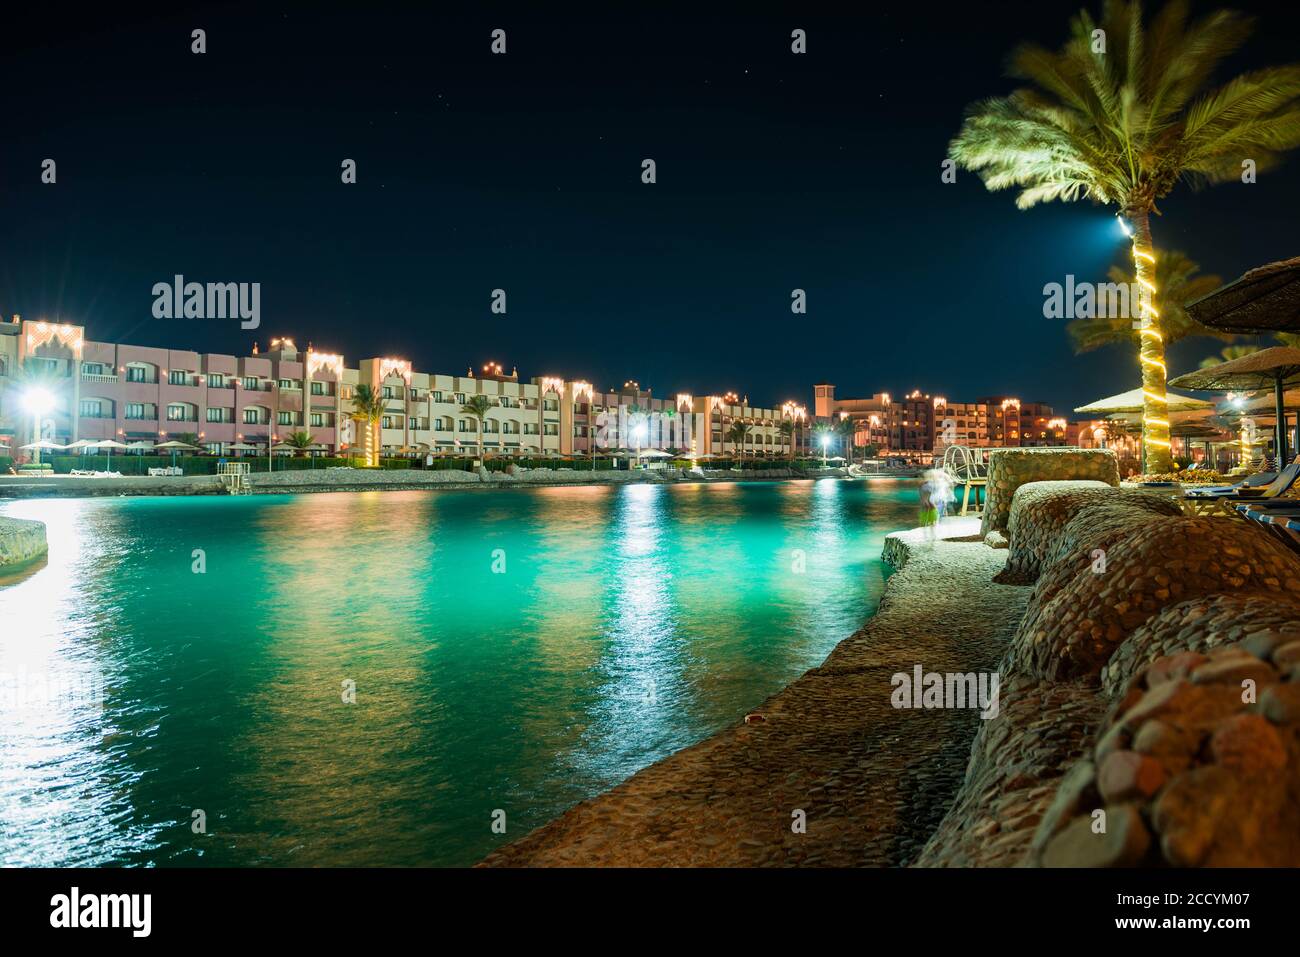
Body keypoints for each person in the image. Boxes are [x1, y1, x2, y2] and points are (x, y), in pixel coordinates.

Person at [918, 472, 939, 543]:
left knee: (927, 523)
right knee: (932, 522)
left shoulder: (923, 485)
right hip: (929, 505)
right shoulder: (927, 485)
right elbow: (928, 495)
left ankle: (927, 536)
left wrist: (926, 502)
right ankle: (931, 536)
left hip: (927, 505)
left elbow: (925, 496)